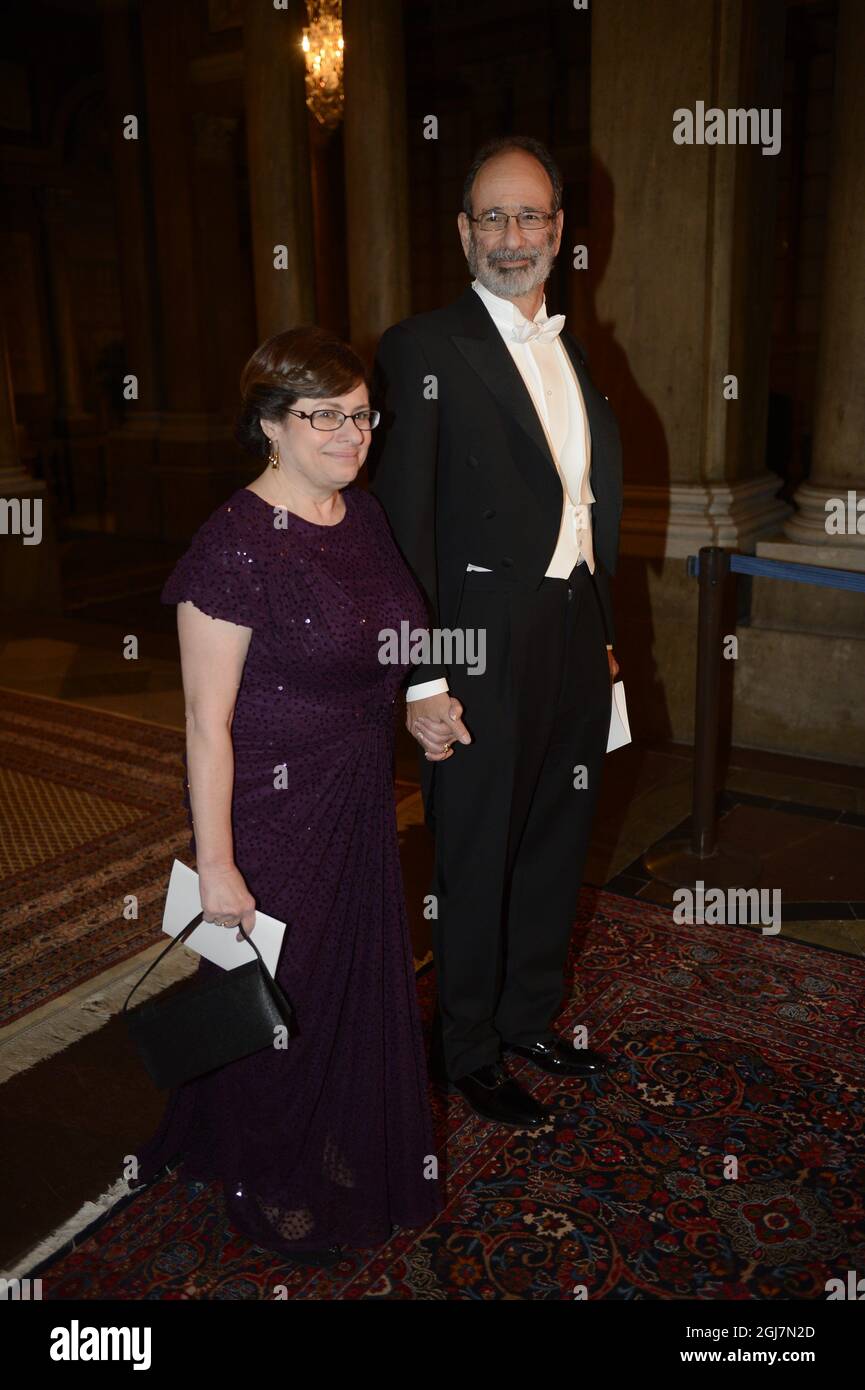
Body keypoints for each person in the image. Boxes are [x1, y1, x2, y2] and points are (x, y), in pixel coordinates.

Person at [134, 326, 443, 1266]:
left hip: (355, 794)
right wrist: (217, 864)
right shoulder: (232, 547)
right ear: (270, 424)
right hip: (272, 809)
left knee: (344, 984)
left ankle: (318, 1131)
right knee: (284, 993)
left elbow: (398, 624)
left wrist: (426, 700)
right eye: (324, 417)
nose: (352, 434)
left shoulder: (361, 515)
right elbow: (205, 723)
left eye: (361, 415)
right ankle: (267, 1171)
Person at [369, 135, 623, 1129]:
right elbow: (400, 530)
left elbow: (582, 501)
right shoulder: (421, 348)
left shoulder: (573, 346)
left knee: (555, 838)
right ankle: (464, 1043)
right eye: (492, 217)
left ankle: (524, 1016)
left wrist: (595, 631)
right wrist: (420, 681)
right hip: (471, 641)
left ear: (558, 231)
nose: (512, 236)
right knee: (474, 852)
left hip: (569, 632)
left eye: (530, 216)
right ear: (463, 232)